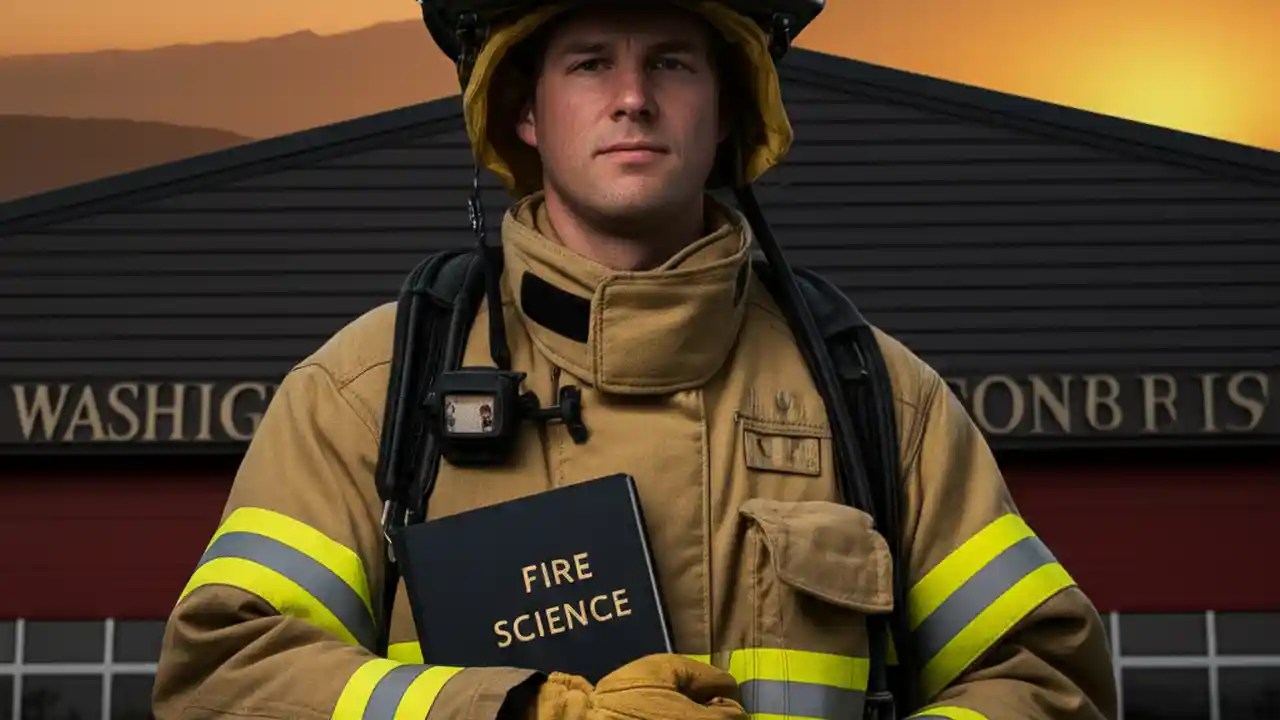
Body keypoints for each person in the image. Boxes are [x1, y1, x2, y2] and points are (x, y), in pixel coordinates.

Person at [152, 1, 1118, 719]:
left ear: (729, 110)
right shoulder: (367, 395)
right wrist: (519, 714)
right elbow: (223, 678)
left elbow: (1046, 681)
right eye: (589, 64)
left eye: (671, 63)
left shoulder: (880, 401)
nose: (632, 98)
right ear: (525, 112)